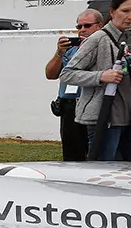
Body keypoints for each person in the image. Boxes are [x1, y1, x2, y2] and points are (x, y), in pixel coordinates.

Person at [58, 0, 131, 162]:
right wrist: (101, 76)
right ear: (112, 12)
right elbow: (67, 74)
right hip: (103, 118)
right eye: (125, 11)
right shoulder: (98, 39)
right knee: (102, 173)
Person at [44, 9, 104, 161]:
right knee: (72, 155)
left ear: (100, 26)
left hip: (93, 104)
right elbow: (50, 74)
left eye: (87, 26)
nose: (82, 30)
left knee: (96, 153)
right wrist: (59, 53)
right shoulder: (71, 50)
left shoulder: (104, 48)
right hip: (70, 106)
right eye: (79, 27)